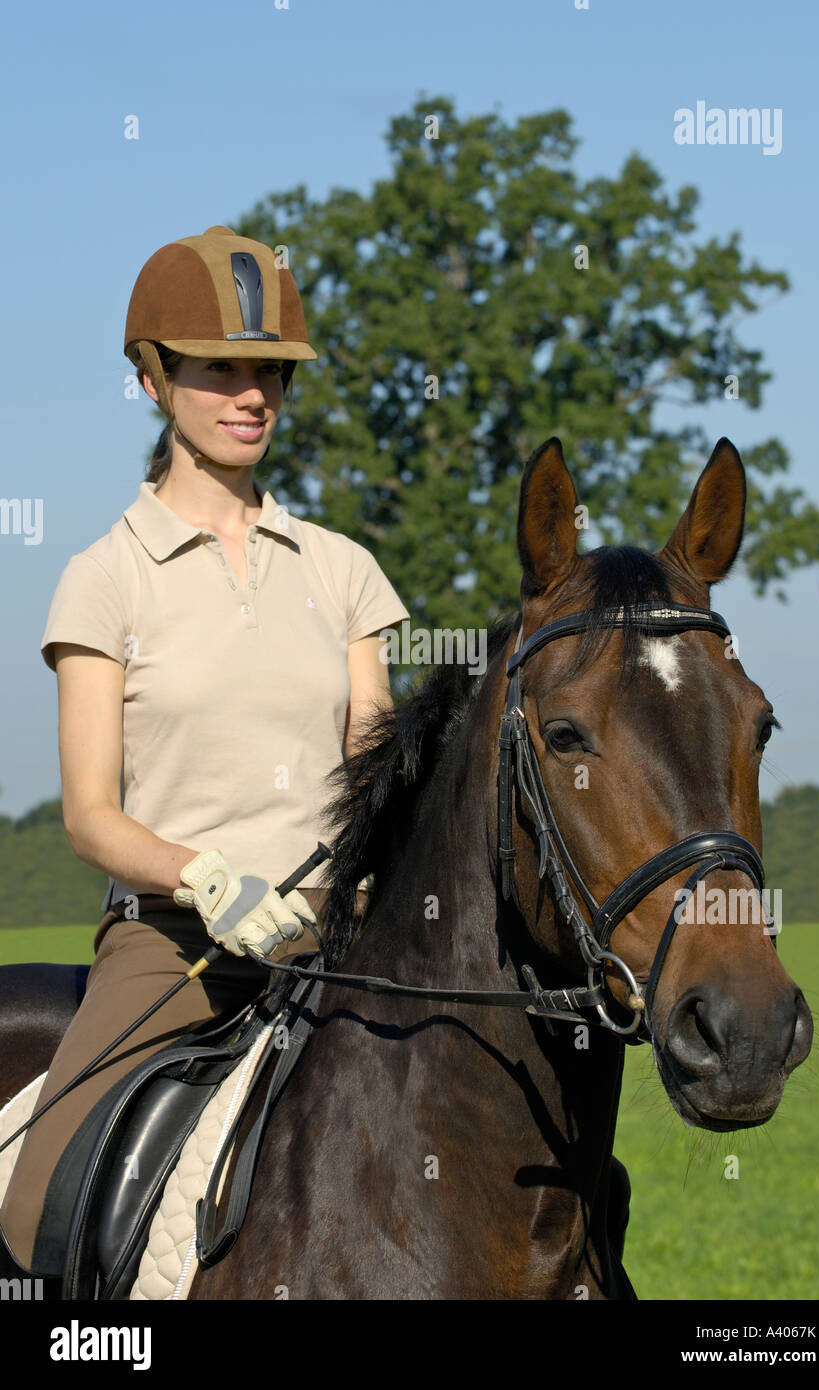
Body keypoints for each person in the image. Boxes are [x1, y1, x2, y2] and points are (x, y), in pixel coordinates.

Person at [0, 224, 410, 1275]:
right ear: (150, 377)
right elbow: (90, 813)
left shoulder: (341, 569)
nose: (250, 394)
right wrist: (207, 877)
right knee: (46, 1189)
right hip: (176, 943)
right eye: (219, 367)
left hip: (337, 942)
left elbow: (378, 774)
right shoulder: (106, 577)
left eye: (268, 371)